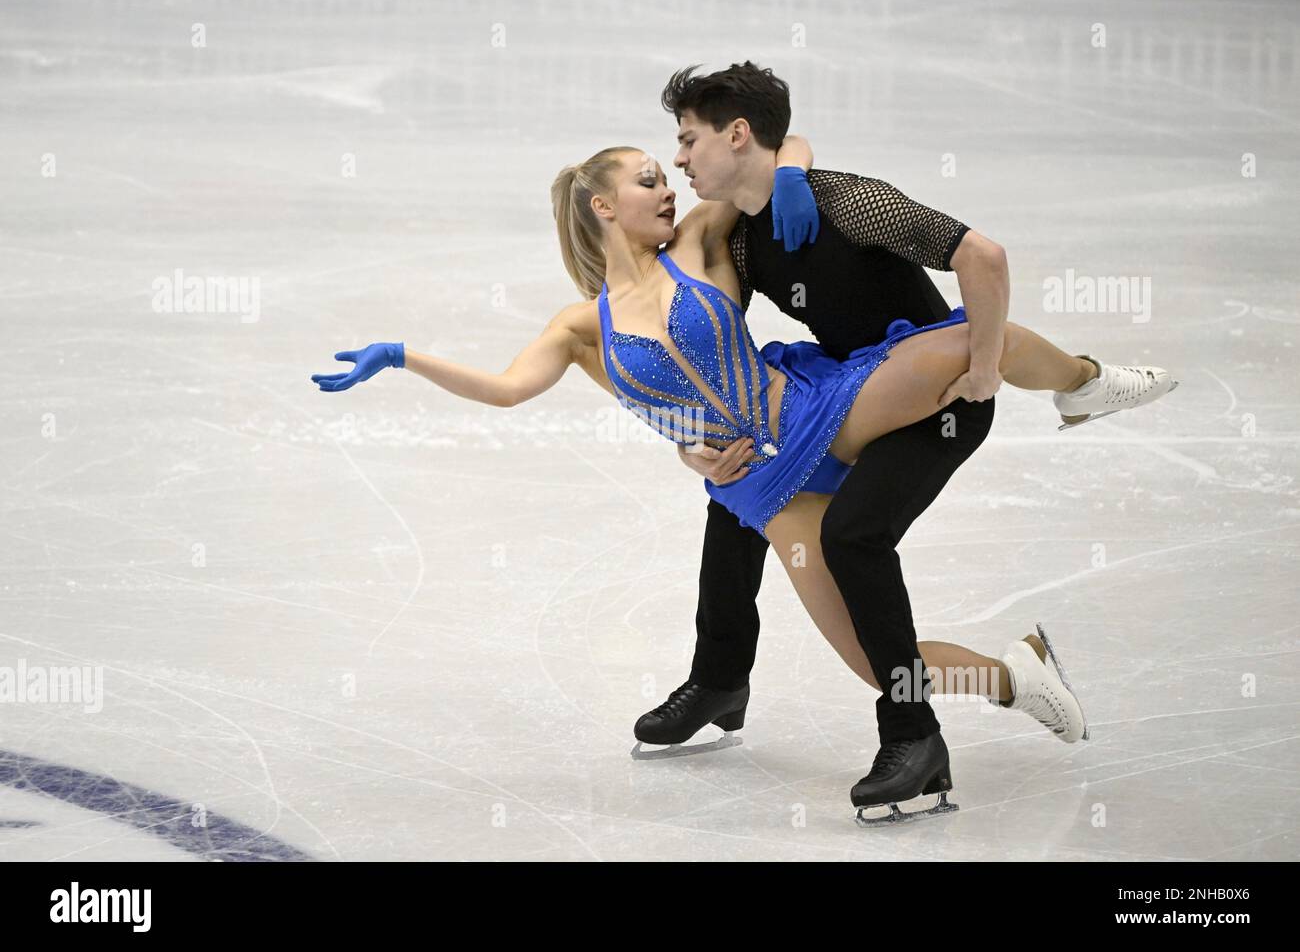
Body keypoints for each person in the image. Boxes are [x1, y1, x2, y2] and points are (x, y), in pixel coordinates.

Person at [310, 133, 1175, 820]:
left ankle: (1087, 384)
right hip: (767, 492)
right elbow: (504, 390)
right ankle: (1017, 674)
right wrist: (402, 356)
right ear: (605, 204)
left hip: (818, 408)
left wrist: (794, 175)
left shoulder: (700, 240)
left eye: (669, 170)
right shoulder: (583, 326)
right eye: (650, 178)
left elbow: (774, 148)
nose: (670, 186)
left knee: (968, 339)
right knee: (883, 668)